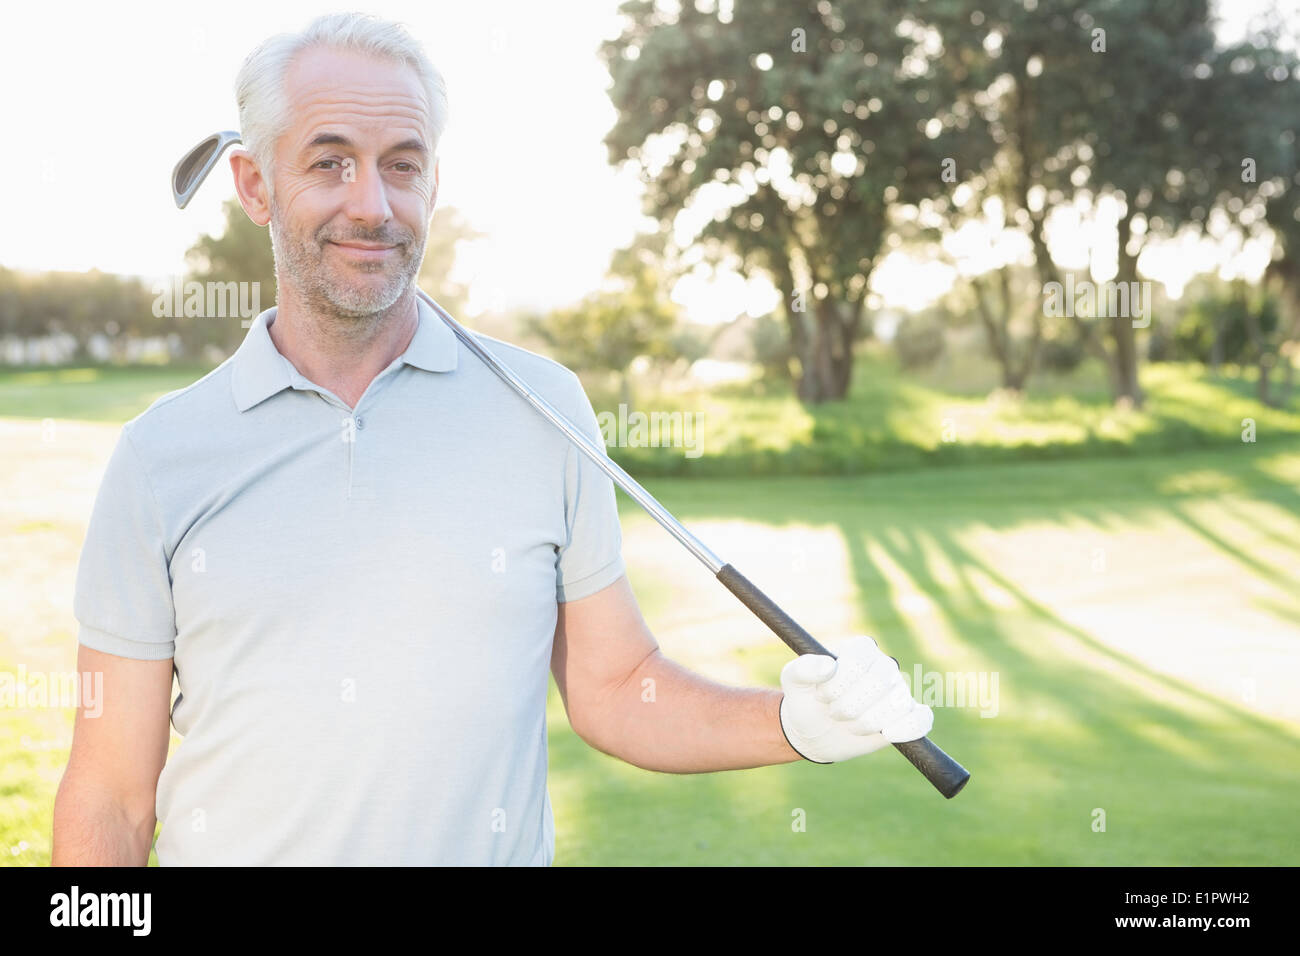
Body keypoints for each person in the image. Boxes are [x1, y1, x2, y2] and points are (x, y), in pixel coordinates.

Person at [52, 12, 933, 866]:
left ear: (433, 182)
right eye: (330, 163)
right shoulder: (161, 458)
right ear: (254, 185)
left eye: (403, 166)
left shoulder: (544, 411)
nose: (373, 204)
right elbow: (111, 797)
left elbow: (617, 689)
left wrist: (792, 725)